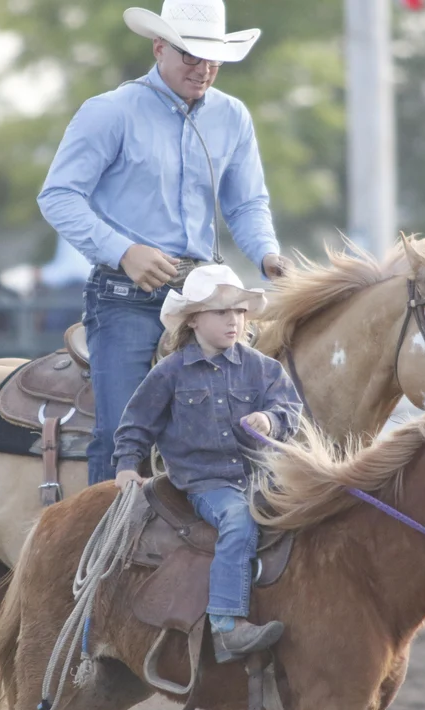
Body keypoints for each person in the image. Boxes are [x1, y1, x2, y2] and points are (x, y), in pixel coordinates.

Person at [38, 0, 291, 485]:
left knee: (255, 418)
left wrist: (266, 253)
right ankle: (102, 551)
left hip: (204, 297)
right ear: (158, 48)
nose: (203, 69)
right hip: (124, 297)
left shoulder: (233, 117)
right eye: (190, 56)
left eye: (212, 58)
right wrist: (124, 251)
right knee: (121, 434)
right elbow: (58, 196)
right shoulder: (110, 111)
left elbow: (245, 204)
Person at [113, 264, 302, 662]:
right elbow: (136, 422)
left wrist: (270, 419)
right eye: (221, 312)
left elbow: (291, 411)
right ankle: (226, 623)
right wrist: (127, 464)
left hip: (261, 475)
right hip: (206, 482)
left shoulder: (264, 368)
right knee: (238, 521)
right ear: (194, 320)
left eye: (238, 312)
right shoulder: (170, 373)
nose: (233, 320)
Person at [37, 236, 92, 332]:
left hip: (80, 289)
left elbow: (72, 269)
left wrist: (39, 274)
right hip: (83, 288)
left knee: (54, 324)